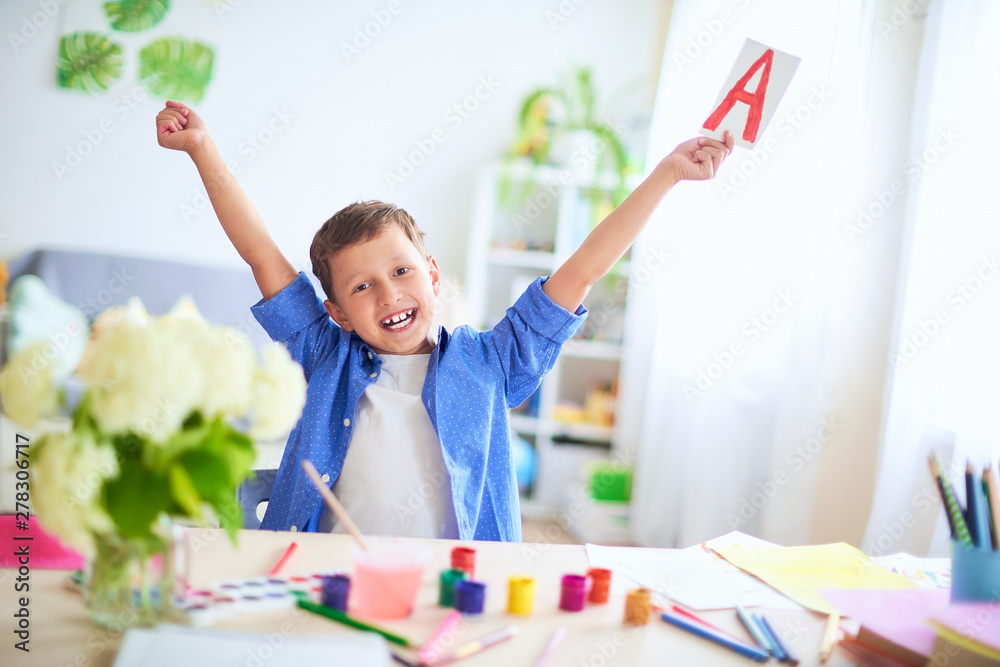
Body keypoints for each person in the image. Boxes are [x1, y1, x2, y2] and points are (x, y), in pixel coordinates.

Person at [155, 100, 733, 539]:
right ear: (337, 313)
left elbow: (581, 272)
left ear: (432, 275)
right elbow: (262, 256)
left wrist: (668, 174)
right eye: (362, 286)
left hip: (455, 587)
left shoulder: (492, 362)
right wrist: (203, 148)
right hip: (329, 577)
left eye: (402, 272)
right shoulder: (324, 353)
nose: (388, 295)